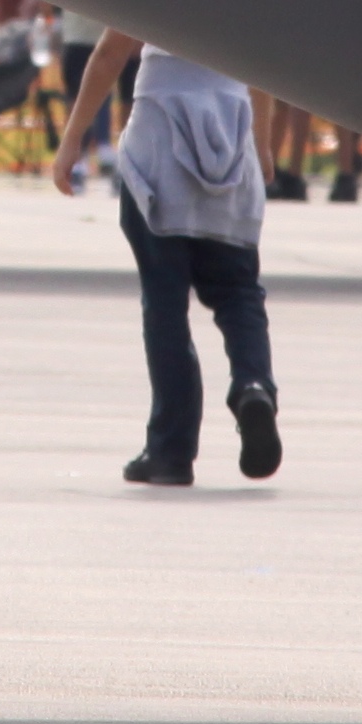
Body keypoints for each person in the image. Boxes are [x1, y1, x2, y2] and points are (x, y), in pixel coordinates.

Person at [50, 25, 280, 486]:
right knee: (237, 291)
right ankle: (253, 386)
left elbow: (111, 53)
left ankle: (170, 451)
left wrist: (72, 138)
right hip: (231, 128)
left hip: (161, 139)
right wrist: (263, 146)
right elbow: (264, 71)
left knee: (166, 304)